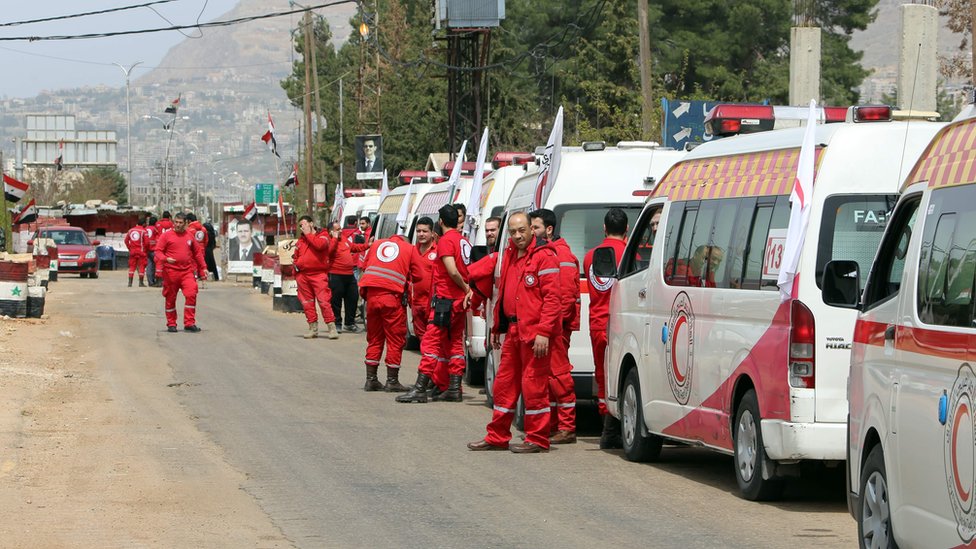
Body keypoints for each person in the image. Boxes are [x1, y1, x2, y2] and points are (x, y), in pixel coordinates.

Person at [467, 212, 561, 453]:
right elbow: (498, 290)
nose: (517, 236)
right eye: (512, 232)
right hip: (513, 330)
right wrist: (498, 327)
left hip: (534, 333)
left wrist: (543, 332)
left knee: (534, 387)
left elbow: (553, 299)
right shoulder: (507, 256)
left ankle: (537, 438)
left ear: (532, 230)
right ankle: (497, 436)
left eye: (522, 230)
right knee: (504, 385)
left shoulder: (545, 257)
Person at [397, 204, 473, 404]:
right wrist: (467, 290)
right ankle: (454, 387)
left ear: (440, 222)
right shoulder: (464, 240)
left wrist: (465, 288)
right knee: (456, 344)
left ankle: (420, 388)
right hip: (457, 303)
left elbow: (452, 270)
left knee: (430, 344)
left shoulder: (447, 241)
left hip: (445, 301)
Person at [529, 208, 580, 445]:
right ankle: (550, 424)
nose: (531, 232)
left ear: (549, 229)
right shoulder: (543, 252)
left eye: (535, 228)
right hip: (545, 327)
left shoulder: (561, 255)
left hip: (554, 328)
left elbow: (566, 297)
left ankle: (567, 427)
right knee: (546, 378)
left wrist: (550, 327)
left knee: (559, 376)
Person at [582, 208, 629, 449]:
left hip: (596, 322)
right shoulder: (630, 254)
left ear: (604, 228)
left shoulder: (590, 256)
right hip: (620, 323)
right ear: (627, 229)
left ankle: (607, 427)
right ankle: (617, 427)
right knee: (623, 374)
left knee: (602, 374)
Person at [359, 232, 425, 392]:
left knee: (374, 339)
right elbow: (419, 275)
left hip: (372, 297)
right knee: (395, 339)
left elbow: (364, 267)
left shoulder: (376, 244)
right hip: (391, 298)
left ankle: (371, 379)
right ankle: (392, 380)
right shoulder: (409, 249)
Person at [155, 212, 208, 333]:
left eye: (180, 223)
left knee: (191, 293)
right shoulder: (166, 236)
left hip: (187, 272)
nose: (177, 225)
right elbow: (158, 251)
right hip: (170, 273)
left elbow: (197, 253)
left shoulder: (189, 236)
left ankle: (189, 323)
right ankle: (171, 323)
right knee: (170, 298)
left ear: (185, 224)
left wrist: (203, 267)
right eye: (176, 222)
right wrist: (165, 259)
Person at [293, 215, 340, 340]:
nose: (302, 227)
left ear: (311, 223)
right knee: (307, 303)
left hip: (318, 275)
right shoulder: (301, 241)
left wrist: (309, 235)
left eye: (304, 224)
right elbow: (296, 256)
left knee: (324, 301)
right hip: (303, 276)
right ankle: (312, 328)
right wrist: (296, 269)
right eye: (301, 225)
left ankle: (331, 327)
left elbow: (320, 246)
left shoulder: (323, 235)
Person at [329, 221, 370, 333]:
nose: (341, 231)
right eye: (337, 229)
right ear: (331, 231)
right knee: (336, 301)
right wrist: (334, 238)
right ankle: (337, 323)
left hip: (349, 275)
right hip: (336, 275)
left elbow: (354, 247)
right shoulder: (330, 241)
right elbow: (329, 252)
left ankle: (349, 323)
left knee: (352, 298)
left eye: (340, 228)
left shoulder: (344, 239)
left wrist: (367, 245)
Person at [410, 217, 437, 343]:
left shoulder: (439, 250)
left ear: (432, 233)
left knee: (433, 339)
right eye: (418, 231)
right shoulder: (412, 251)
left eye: (425, 231)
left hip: (433, 304)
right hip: (417, 304)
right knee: (421, 337)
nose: (421, 234)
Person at [124, 218, 149, 287]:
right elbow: (147, 243)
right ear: (143, 224)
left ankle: (130, 283)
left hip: (132, 252)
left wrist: (130, 248)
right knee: (142, 267)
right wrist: (145, 250)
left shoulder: (130, 230)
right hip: (141, 252)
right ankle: (141, 283)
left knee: (132, 267)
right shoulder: (144, 231)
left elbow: (126, 241)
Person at [153, 211, 174, 287]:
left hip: (159, 243)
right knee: (168, 262)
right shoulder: (172, 224)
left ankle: (159, 281)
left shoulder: (158, 224)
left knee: (159, 262)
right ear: (169, 217)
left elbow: (155, 232)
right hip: (169, 244)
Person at [145, 215, 159, 287]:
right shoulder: (155, 229)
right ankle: (156, 280)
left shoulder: (146, 229)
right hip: (154, 249)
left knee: (149, 266)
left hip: (147, 250)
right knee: (157, 266)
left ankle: (150, 281)